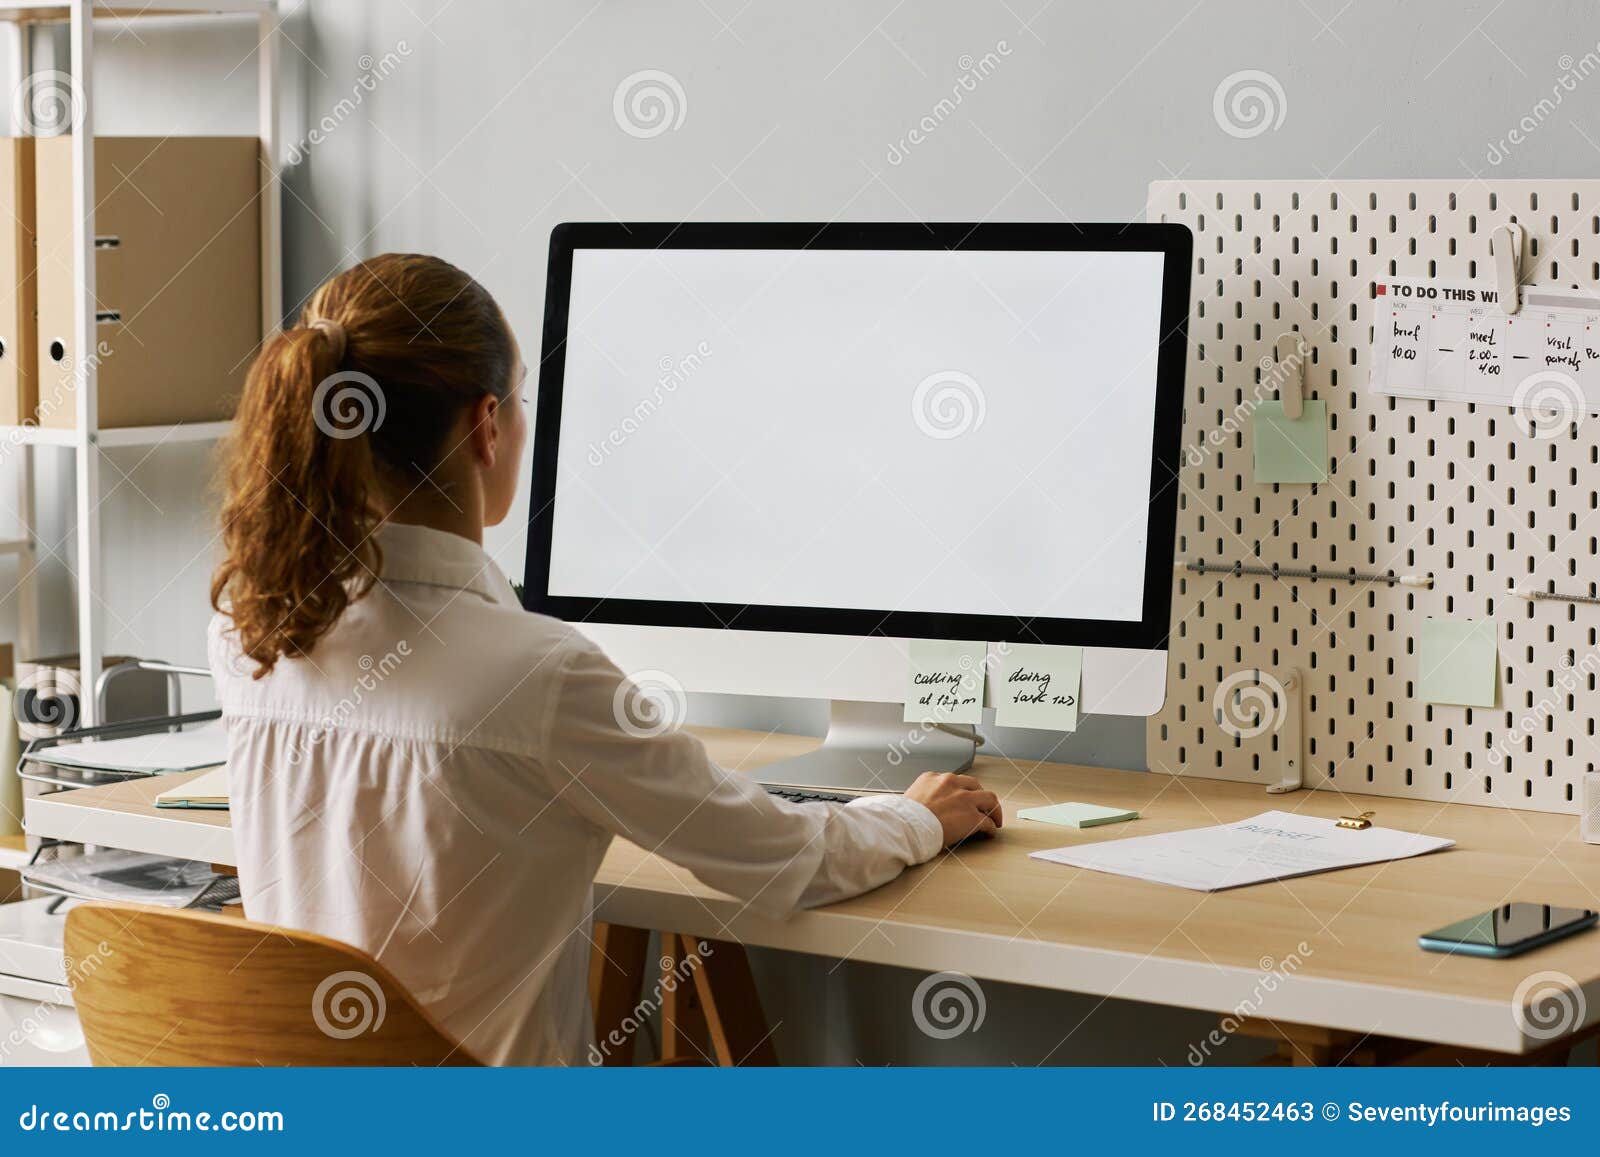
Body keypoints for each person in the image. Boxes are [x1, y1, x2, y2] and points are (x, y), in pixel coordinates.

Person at [208, 253, 1003, 1065]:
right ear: (486, 426)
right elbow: (783, 862)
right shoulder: (537, 673)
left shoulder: (250, 634)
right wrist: (914, 818)